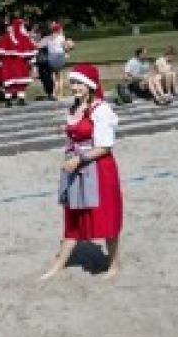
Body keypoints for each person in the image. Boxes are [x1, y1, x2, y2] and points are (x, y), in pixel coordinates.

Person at [40, 64, 123, 280]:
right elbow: (77, 134)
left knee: (105, 215)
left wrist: (80, 158)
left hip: (99, 169)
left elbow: (105, 147)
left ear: (90, 85)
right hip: (75, 167)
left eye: (79, 83)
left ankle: (113, 264)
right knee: (73, 216)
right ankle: (60, 263)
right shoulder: (74, 108)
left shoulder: (102, 109)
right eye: (73, 83)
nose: (74, 87)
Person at [0, 18, 37, 106]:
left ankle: (8, 100)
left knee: (9, 82)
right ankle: (21, 99)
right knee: (21, 81)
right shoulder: (24, 37)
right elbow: (30, 51)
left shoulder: (5, 37)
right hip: (20, 63)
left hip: (8, 63)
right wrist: (32, 62)